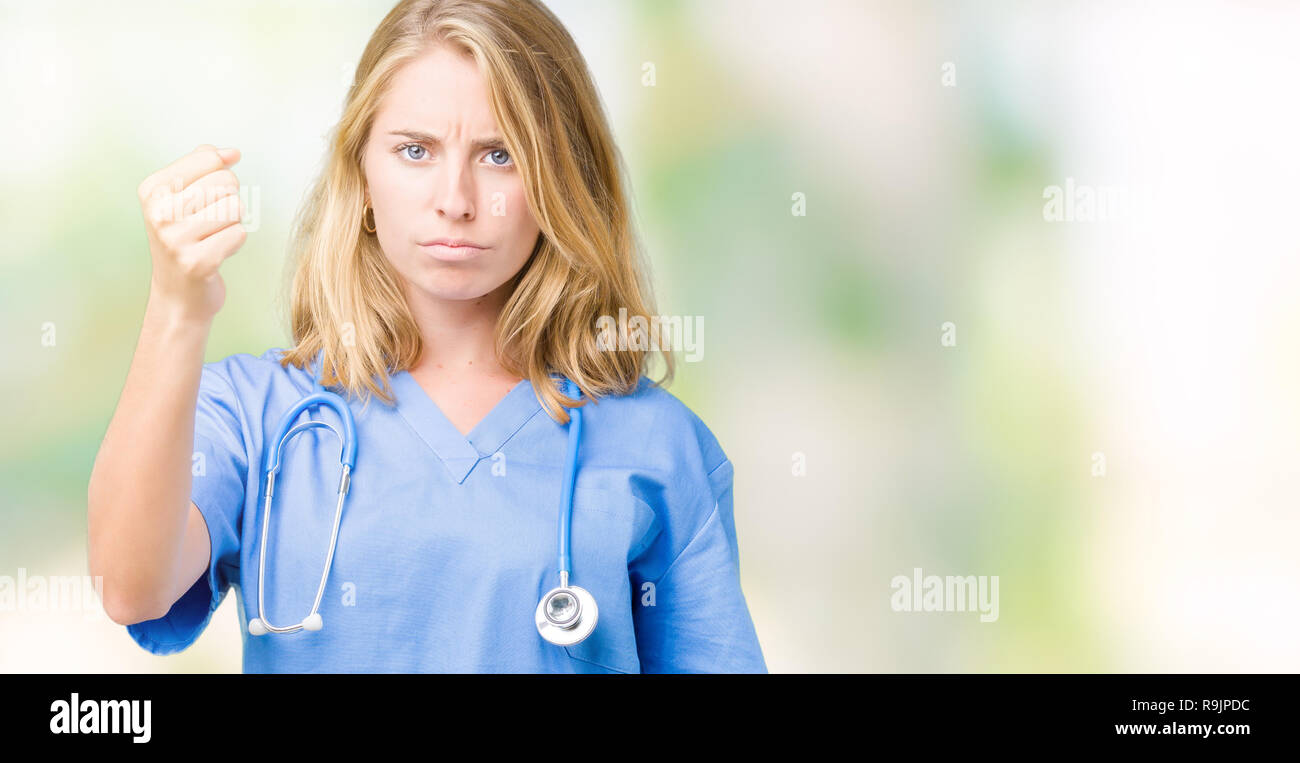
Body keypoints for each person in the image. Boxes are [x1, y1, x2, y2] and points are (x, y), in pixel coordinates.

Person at [87, 0, 765, 673]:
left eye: (500, 155)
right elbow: (131, 586)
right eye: (416, 150)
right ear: (361, 175)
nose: (457, 198)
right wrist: (177, 310)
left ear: (561, 176)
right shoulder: (256, 413)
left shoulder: (657, 445)